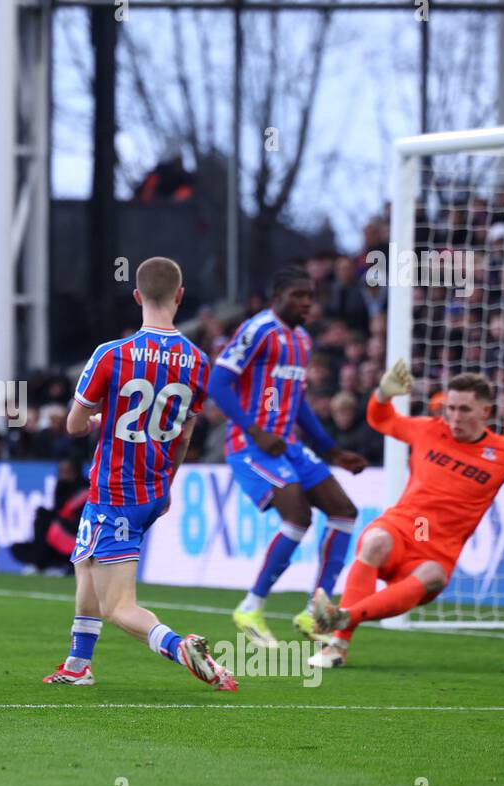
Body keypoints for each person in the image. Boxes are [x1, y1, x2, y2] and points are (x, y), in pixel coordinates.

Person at [309, 363, 504, 667]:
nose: (455, 417)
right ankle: (338, 645)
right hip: (402, 529)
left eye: (465, 410)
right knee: (375, 541)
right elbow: (381, 419)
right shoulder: (428, 430)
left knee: (433, 576)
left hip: (437, 551)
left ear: (485, 412)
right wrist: (382, 393)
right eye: (451, 408)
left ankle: (343, 617)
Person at [42, 257, 236, 691]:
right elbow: (185, 436)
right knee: (86, 562)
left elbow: (74, 425)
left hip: (115, 491)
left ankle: (179, 647)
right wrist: (167, 485)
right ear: (180, 296)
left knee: (118, 607)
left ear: (136, 297)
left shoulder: (112, 354)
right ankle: (77, 664)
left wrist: (93, 422)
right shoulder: (199, 361)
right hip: (152, 490)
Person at [206, 267, 367, 648]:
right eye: (298, 296)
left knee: (344, 511)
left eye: (310, 296)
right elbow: (218, 382)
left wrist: (331, 449)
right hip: (250, 446)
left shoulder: (302, 340)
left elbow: (297, 404)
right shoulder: (257, 330)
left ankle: (315, 611)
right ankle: (250, 607)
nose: (307, 303)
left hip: (286, 445)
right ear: (277, 296)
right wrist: (253, 428)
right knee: (298, 515)